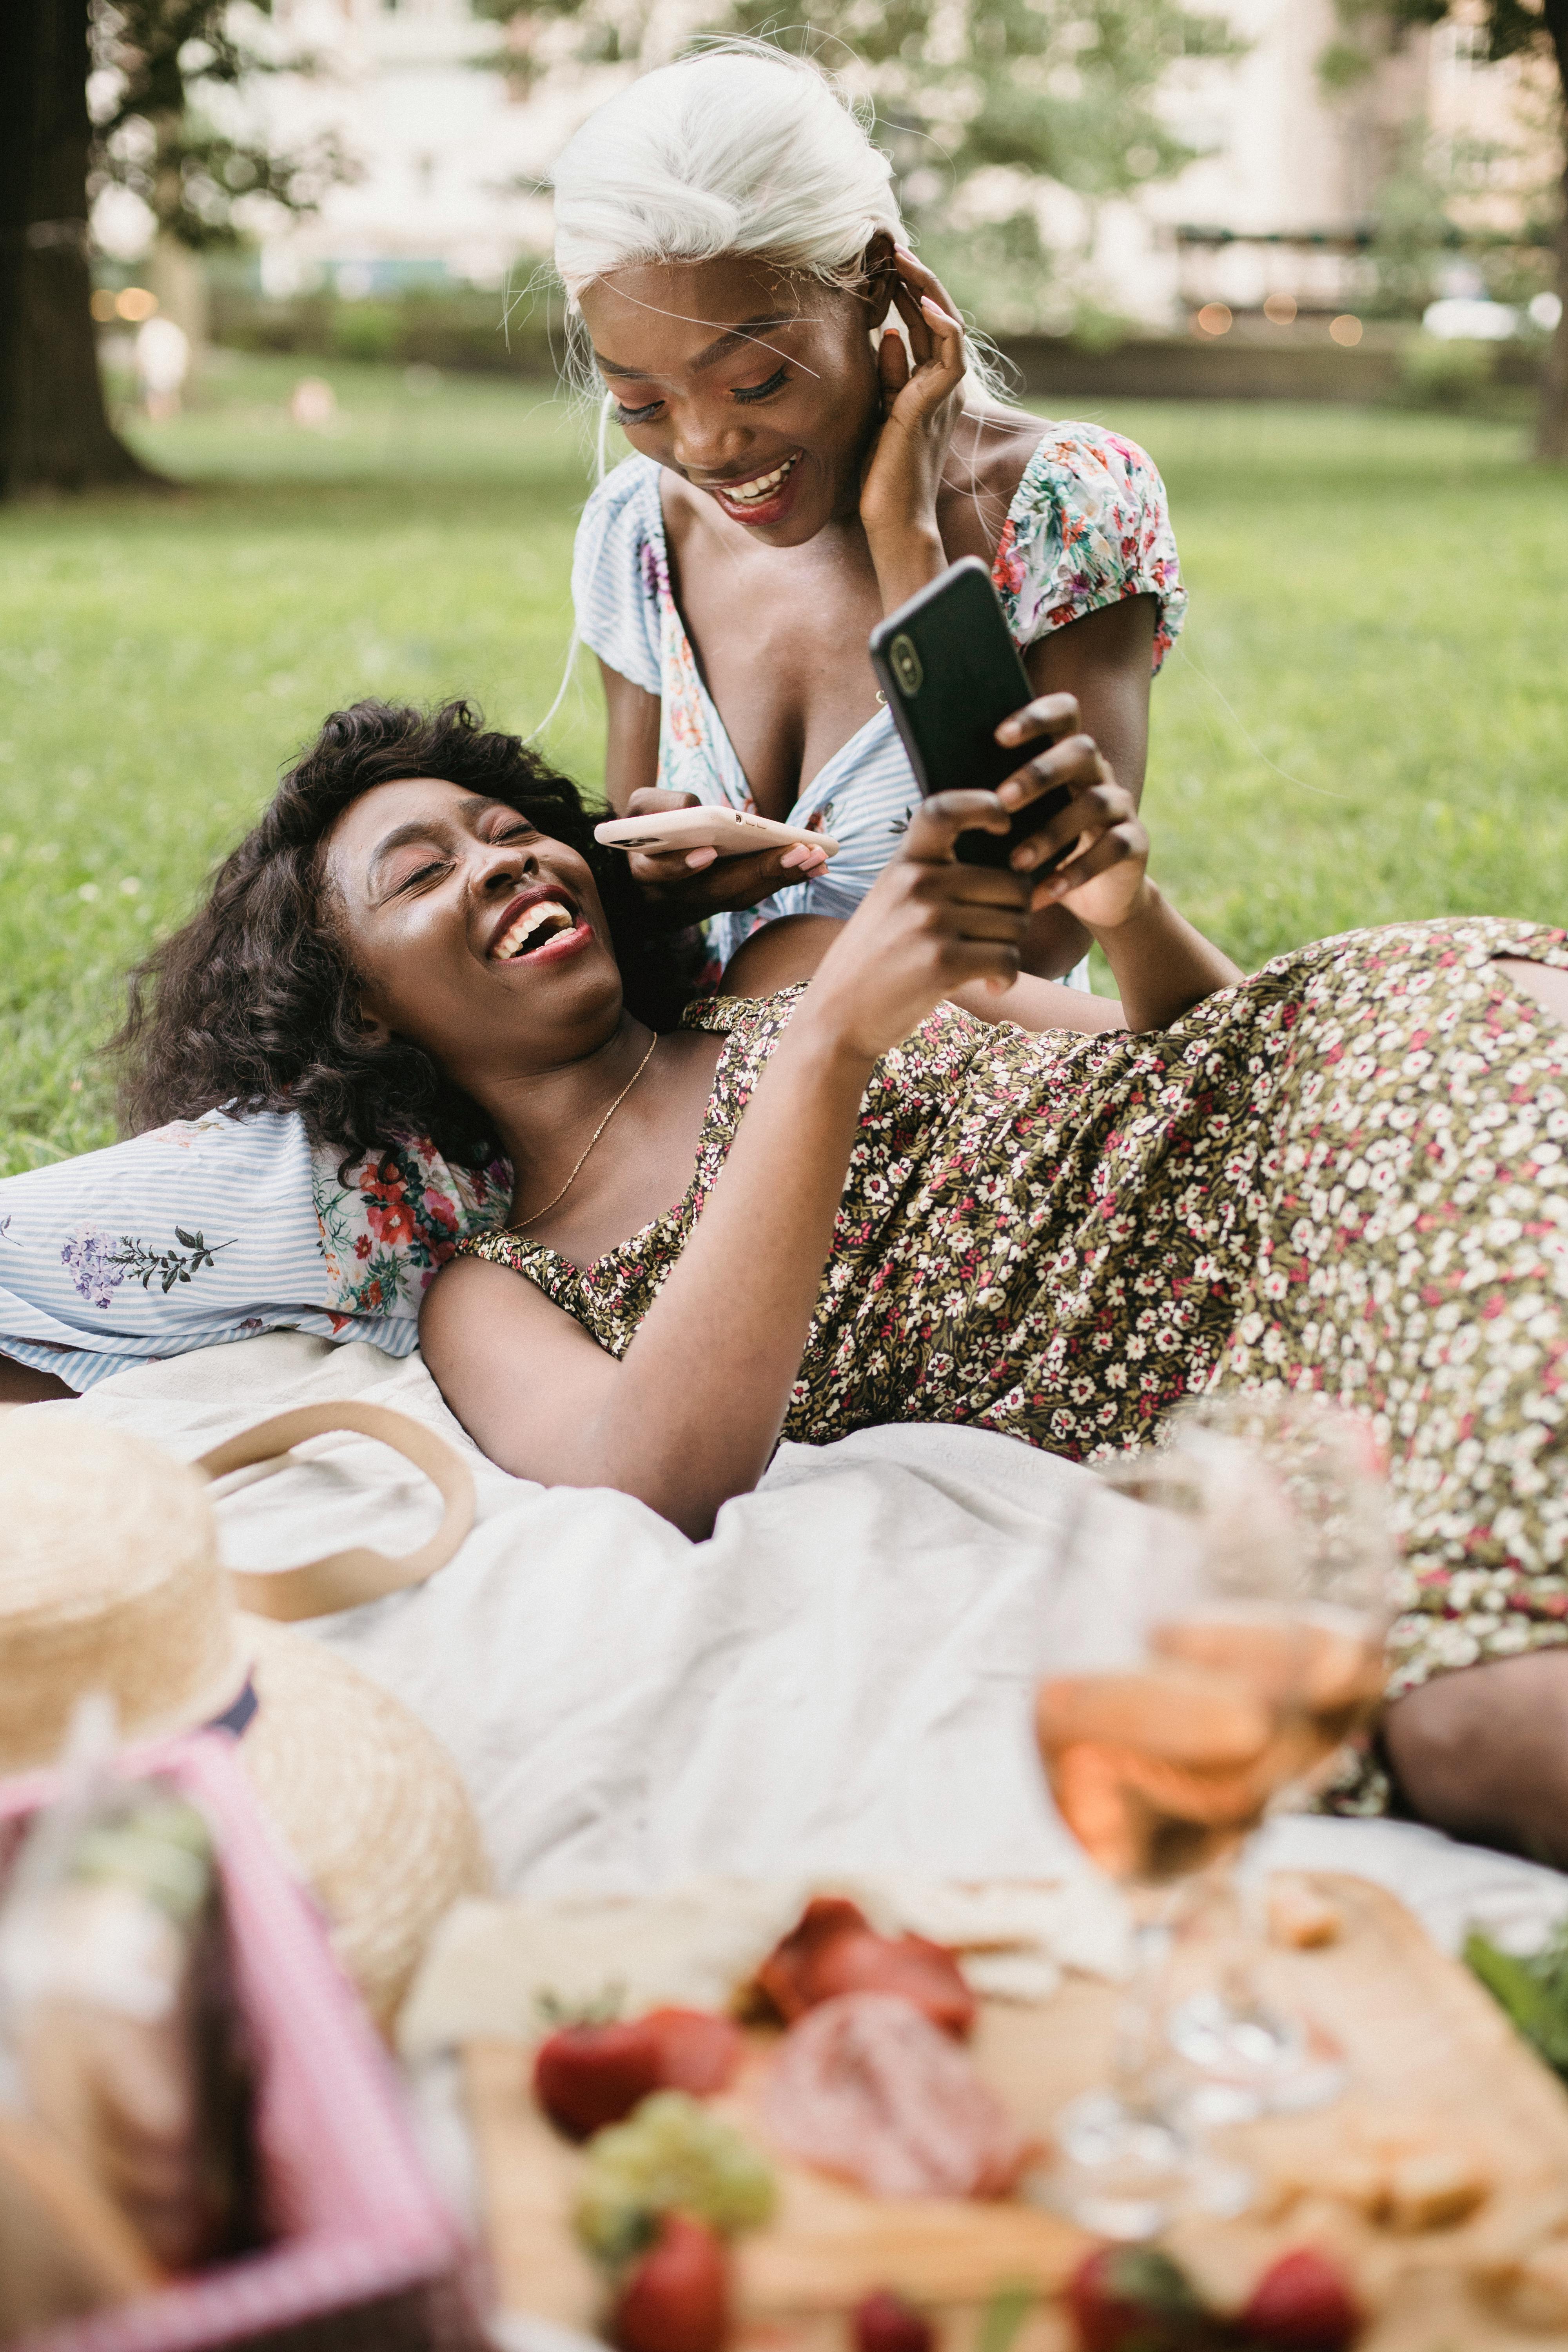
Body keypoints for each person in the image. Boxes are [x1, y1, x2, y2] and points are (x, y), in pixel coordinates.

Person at [4, 698, 1568, 1873]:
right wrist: (830, 1056)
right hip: (1304, 1337)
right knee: (1448, 1721)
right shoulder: (492, 1286)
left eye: (508, 828)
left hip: (1392, 1090)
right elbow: (657, 1472)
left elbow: (1199, 1066)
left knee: (1471, 1727)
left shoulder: (778, 965)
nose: (499, 863)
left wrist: (1118, 908)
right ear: (357, 1004)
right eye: (425, 872)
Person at [551, 43, 1186, 982]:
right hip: (727, 1117)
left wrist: (907, 546)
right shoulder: (639, 530)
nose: (702, 448)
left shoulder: (1065, 503)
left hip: (983, 1105)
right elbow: (642, 932)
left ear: (872, 285)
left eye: (755, 381)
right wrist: (660, 887)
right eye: (640, 403)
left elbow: (1047, 933)